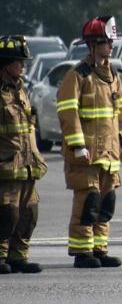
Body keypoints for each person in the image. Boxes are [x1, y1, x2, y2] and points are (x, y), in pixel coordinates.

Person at [56, 16, 122, 268]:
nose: (111, 46)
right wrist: (78, 146)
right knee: (88, 201)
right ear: (93, 45)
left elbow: (121, 111)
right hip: (86, 153)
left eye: (111, 42)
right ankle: (82, 252)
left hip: (109, 152)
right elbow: (68, 113)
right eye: (106, 42)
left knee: (106, 201)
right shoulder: (77, 76)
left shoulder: (112, 76)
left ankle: (99, 248)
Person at [0, 36, 47, 274]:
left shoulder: (21, 89)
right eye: (20, 61)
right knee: (7, 212)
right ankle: (0, 255)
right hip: (6, 166)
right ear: (6, 63)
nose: (24, 66)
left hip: (28, 164)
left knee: (29, 212)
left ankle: (18, 256)